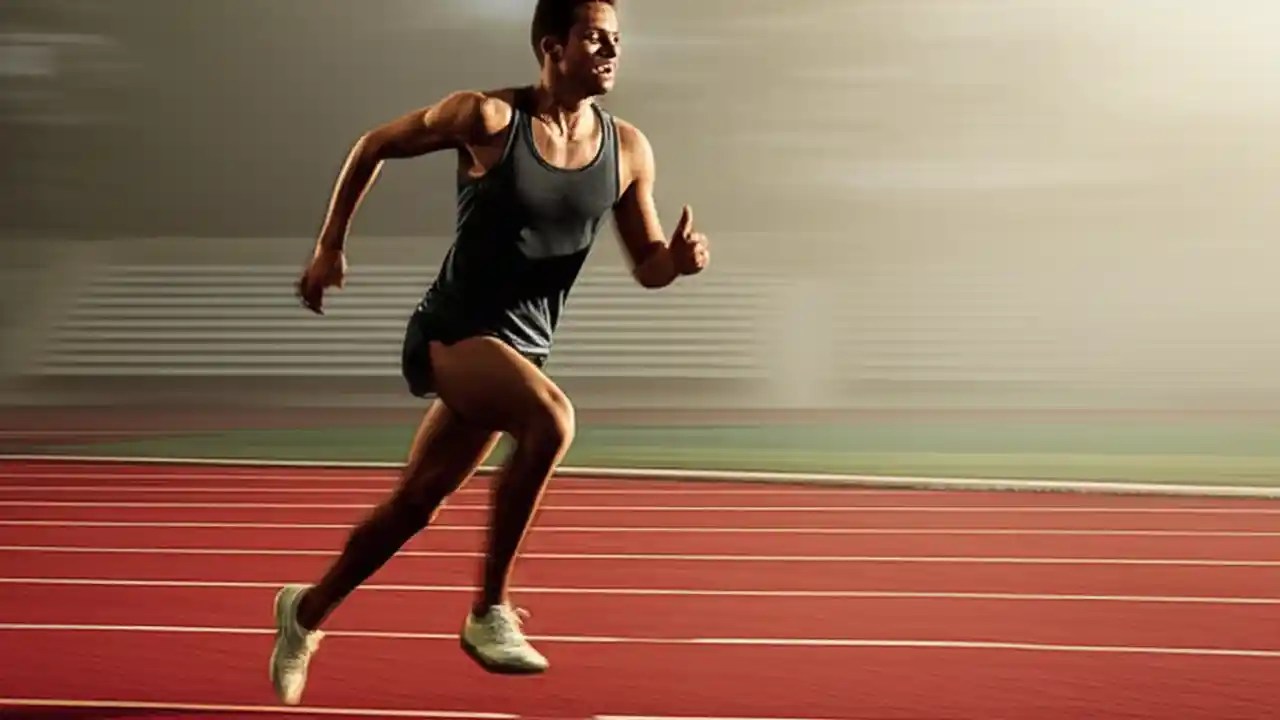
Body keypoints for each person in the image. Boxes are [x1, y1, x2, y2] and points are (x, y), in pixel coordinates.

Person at [270, 0, 709, 706]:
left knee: (416, 504)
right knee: (553, 421)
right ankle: (490, 610)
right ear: (551, 45)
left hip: (518, 353)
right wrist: (329, 244)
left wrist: (679, 262)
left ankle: (306, 612)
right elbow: (373, 144)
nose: (611, 50)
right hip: (452, 332)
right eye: (595, 37)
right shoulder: (487, 119)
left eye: (618, 40)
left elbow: (648, 265)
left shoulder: (627, 149)